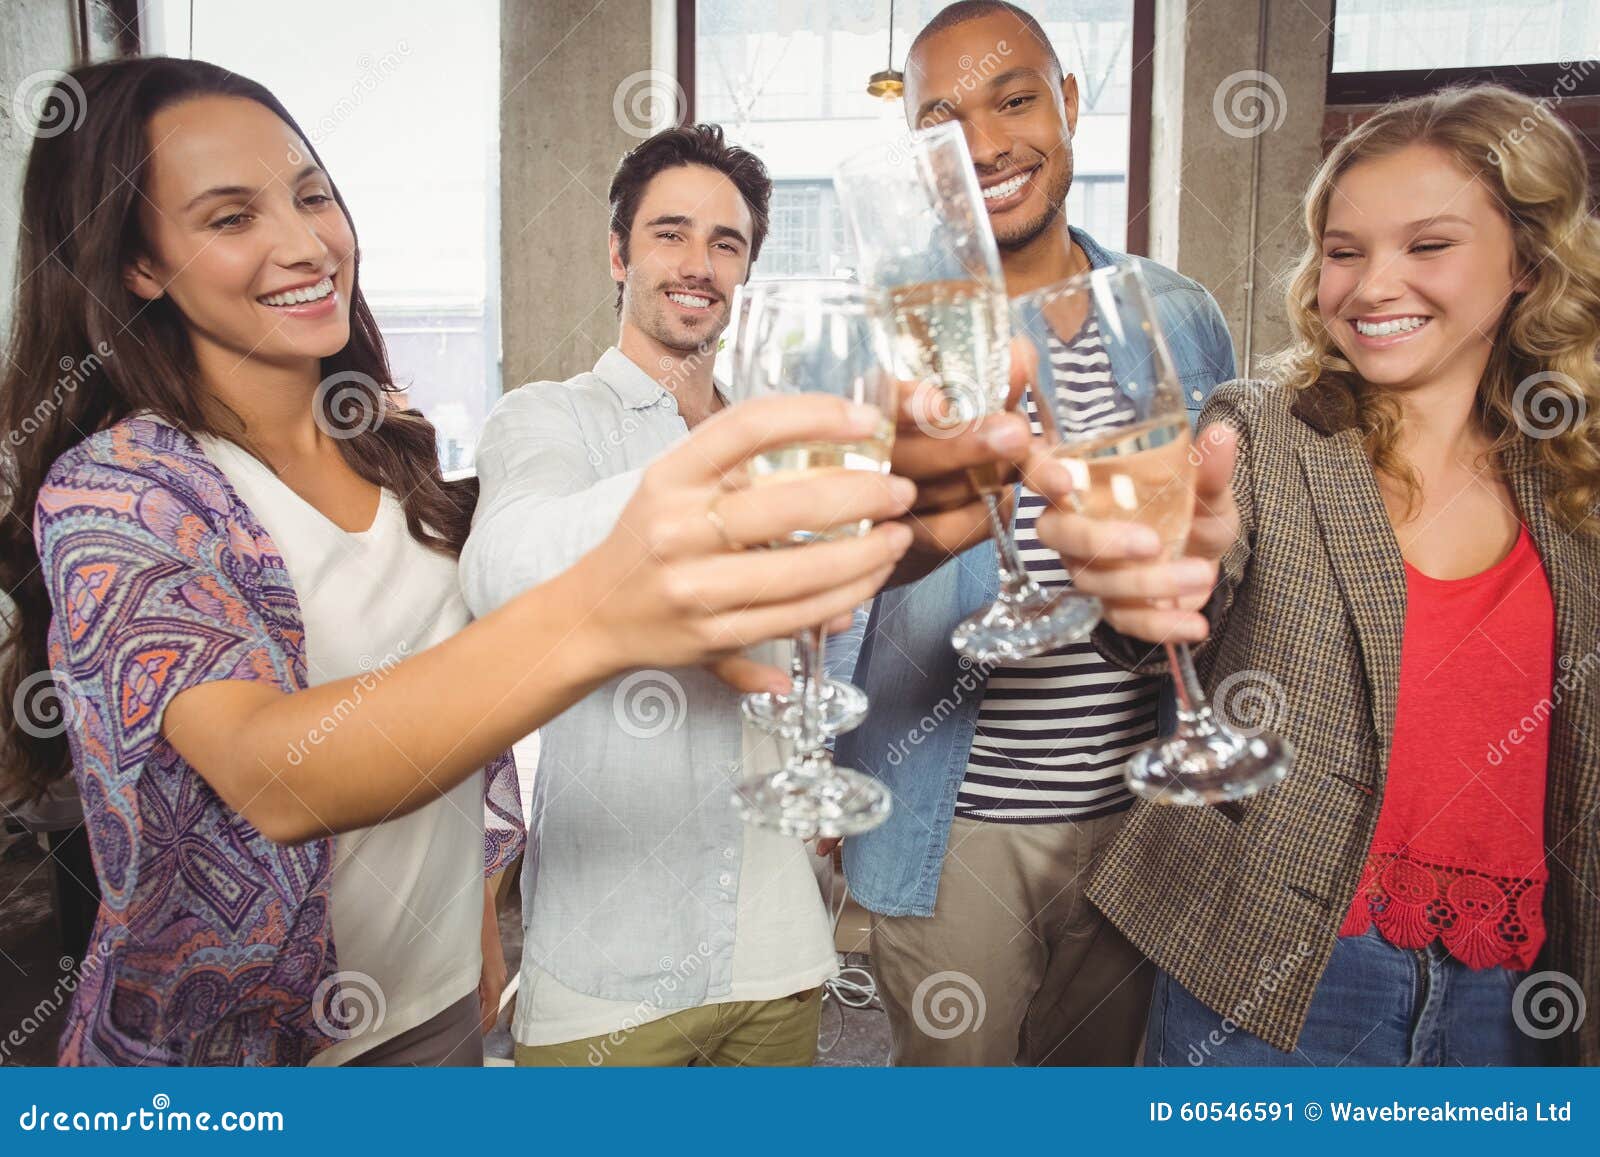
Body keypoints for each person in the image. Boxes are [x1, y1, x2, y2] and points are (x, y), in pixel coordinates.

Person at [0, 58, 914, 1067]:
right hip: (250, 1049)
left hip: (433, 1006)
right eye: (229, 218)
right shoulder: (118, 491)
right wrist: (599, 615)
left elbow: (450, 699)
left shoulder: (390, 448)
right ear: (137, 262)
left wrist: (480, 896)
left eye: (312, 195)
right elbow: (274, 772)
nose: (306, 242)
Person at [1035, 84, 1600, 1066]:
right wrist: (1165, 570)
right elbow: (1177, 583)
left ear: (1527, 262)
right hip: (1285, 964)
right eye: (1344, 251)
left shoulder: (1570, 467)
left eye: (1427, 246)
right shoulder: (1261, 428)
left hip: (1516, 982)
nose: (1372, 285)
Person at [459, 120, 1041, 1066]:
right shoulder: (547, 417)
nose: (699, 263)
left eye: (726, 243)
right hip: (605, 965)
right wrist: (706, 499)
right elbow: (503, 571)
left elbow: (826, 617)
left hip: (777, 945)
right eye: (670, 233)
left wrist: (918, 541)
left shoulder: (784, 434)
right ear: (619, 251)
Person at [828, 0, 1235, 1066]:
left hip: (1140, 812)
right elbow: (815, 596)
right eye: (943, 123)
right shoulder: (879, 338)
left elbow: (1214, 545)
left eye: (1014, 100)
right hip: (950, 826)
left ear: (1067, 104)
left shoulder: (1175, 309)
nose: (987, 143)